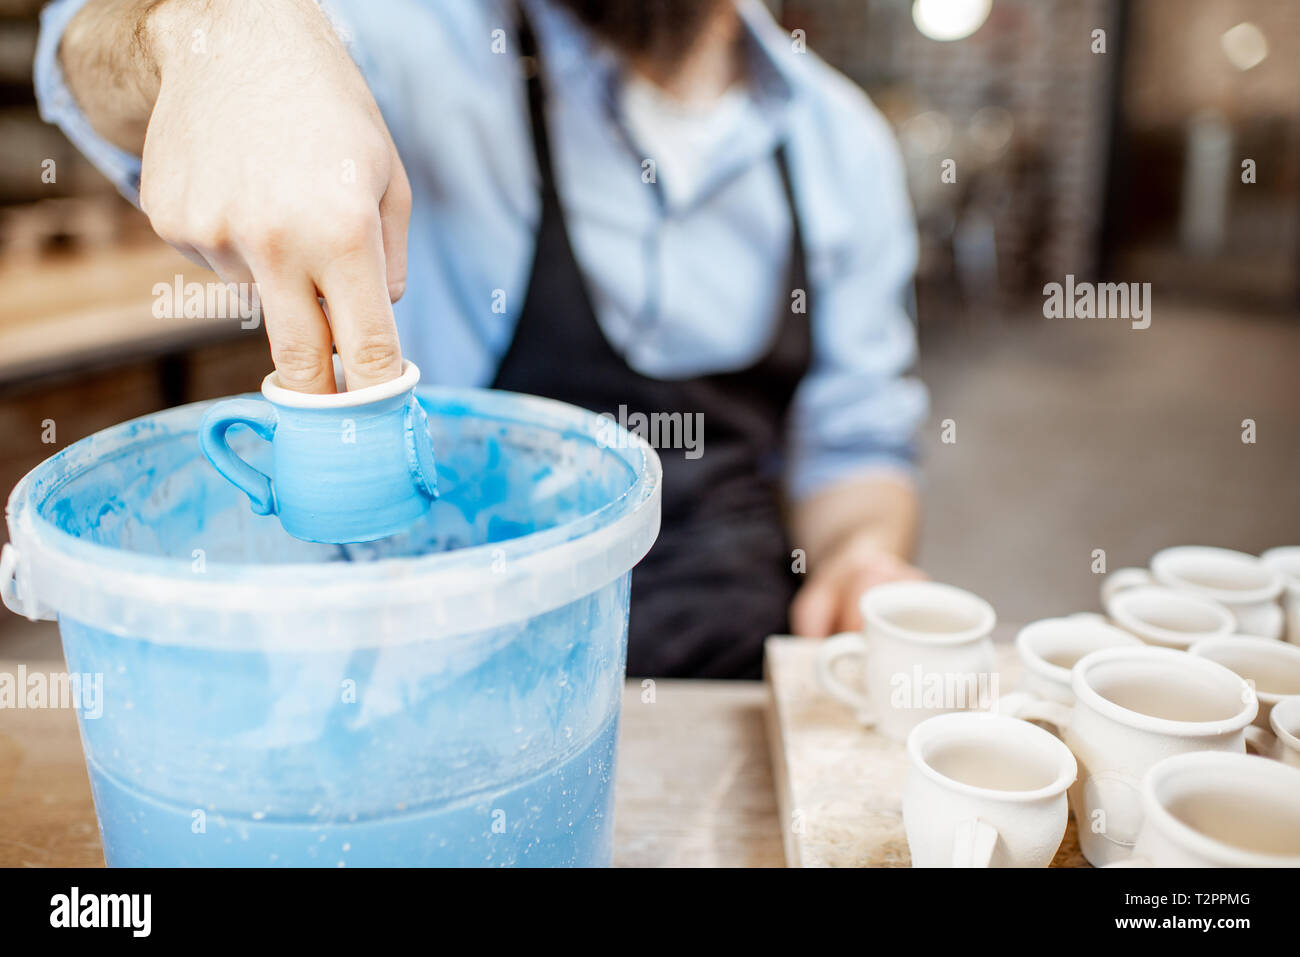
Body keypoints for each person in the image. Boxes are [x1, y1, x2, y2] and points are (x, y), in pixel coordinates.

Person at [36, 0, 929, 678]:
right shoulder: (424, 44)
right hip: (446, 677)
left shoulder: (841, 143)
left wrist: (858, 557)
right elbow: (78, 45)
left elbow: (855, 447)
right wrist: (211, 38)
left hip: (736, 675)